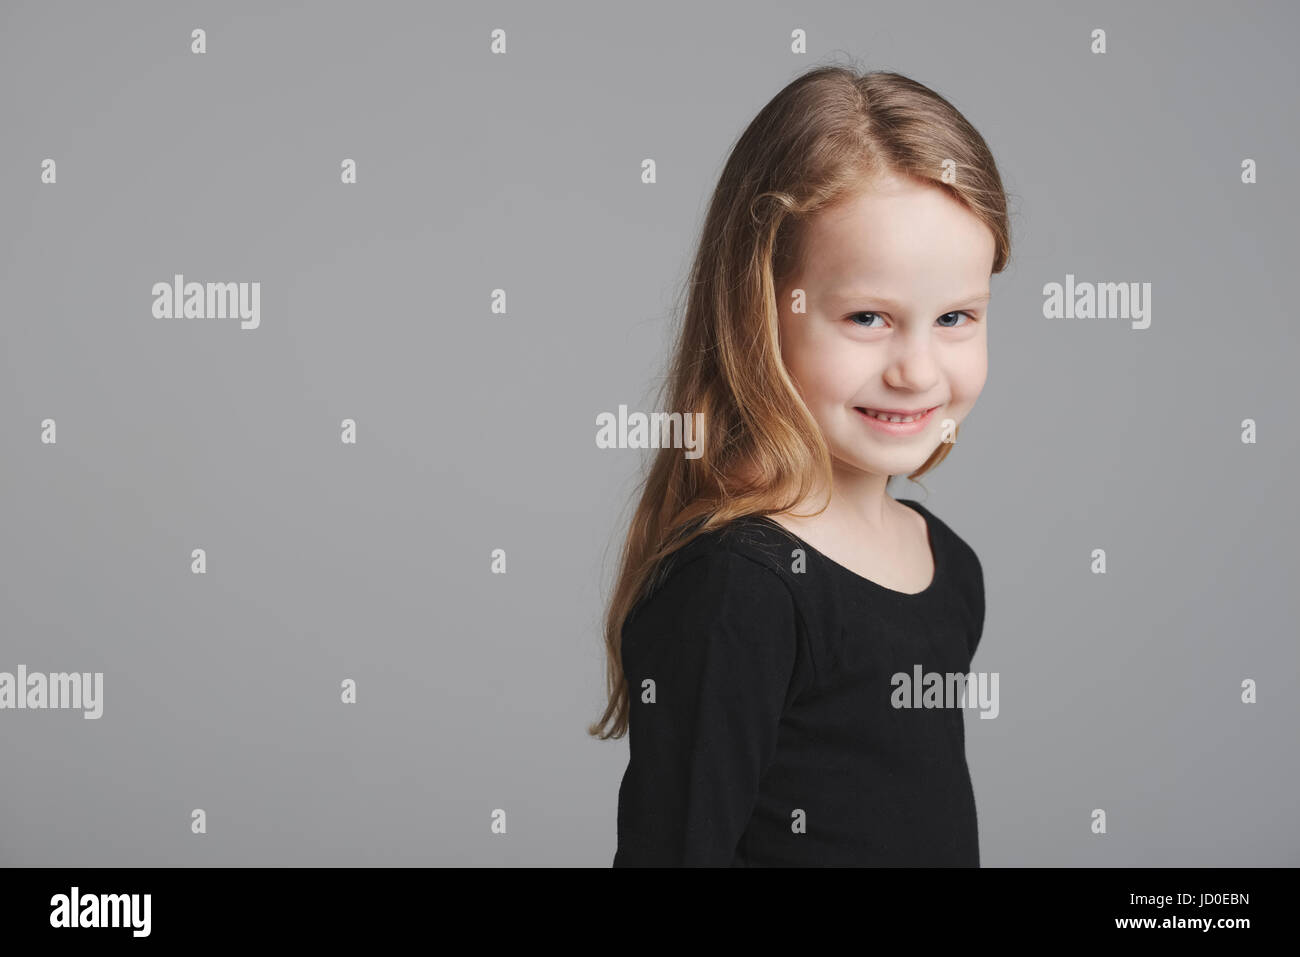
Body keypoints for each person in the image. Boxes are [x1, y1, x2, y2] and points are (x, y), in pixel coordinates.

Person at [589, 63, 1010, 866]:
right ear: (760, 312)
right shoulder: (737, 589)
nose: (917, 370)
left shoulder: (949, 569)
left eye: (955, 316)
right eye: (867, 317)